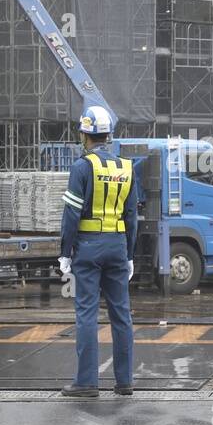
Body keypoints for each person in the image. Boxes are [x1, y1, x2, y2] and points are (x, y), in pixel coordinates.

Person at [58, 105, 138, 398]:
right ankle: (125, 381)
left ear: (85, 134)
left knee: (87, 314)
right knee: (121, 315)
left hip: (88, 249)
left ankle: (87, 382)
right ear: (108, 135)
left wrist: (65, 252)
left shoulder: (82, 167)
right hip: (118, 247)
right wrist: (129, 254)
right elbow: (131, 217)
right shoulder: (127, 168)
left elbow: (71, 213)